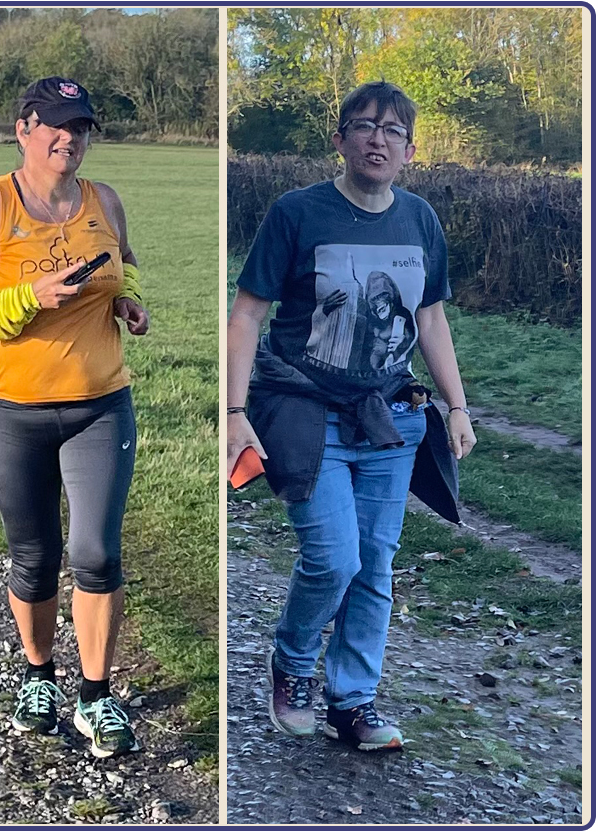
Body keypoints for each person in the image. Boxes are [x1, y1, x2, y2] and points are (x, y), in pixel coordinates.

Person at [225, 81, 474, 751]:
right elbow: (248, 312)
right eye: (363, 126)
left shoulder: (419, 220)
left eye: (393, 131)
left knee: (374, 567)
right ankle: (293, 664)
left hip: (389, 419)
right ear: (338, 139)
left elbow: (430, 318)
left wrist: (456, 405)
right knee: (333, 559)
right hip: (307, 414)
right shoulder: (297, 212)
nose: (377, 139)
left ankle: (353, 703)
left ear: (410, 150)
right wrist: (233, 409)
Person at [0, 77, 151, 758]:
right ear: (23, 128)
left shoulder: (104, 201)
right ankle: (38, 677)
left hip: (100, 406)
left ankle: (95, 697)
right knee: (34, 557)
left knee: (96, 552)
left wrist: (128, 303)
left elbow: (127, 267)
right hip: (11, 409)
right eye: (56, 125)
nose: (70, 139)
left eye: (81, 127)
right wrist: (31, 295)